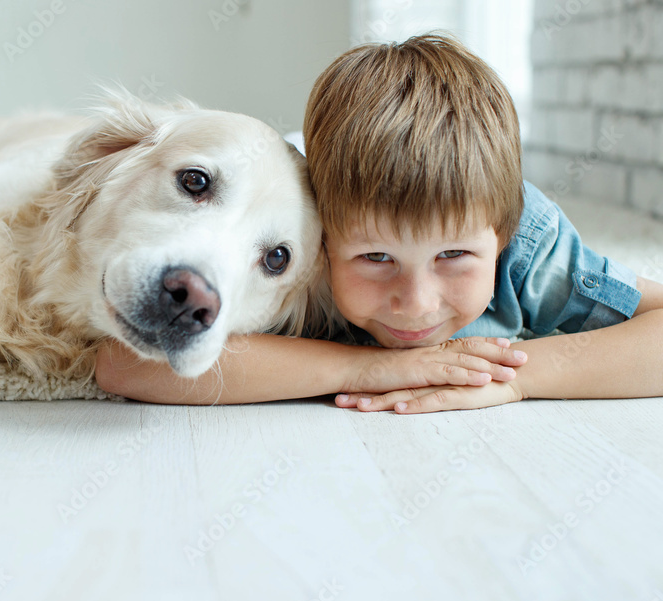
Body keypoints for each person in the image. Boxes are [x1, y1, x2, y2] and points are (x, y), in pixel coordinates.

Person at [94, 33, 663, 412]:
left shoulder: (525, 237)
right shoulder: (293, 250)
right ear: (324, 250)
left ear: (501, 236)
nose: (414, 304)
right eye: (375, 259)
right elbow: (122, 367)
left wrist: (517, 377)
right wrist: (366, 370)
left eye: (453, 257)